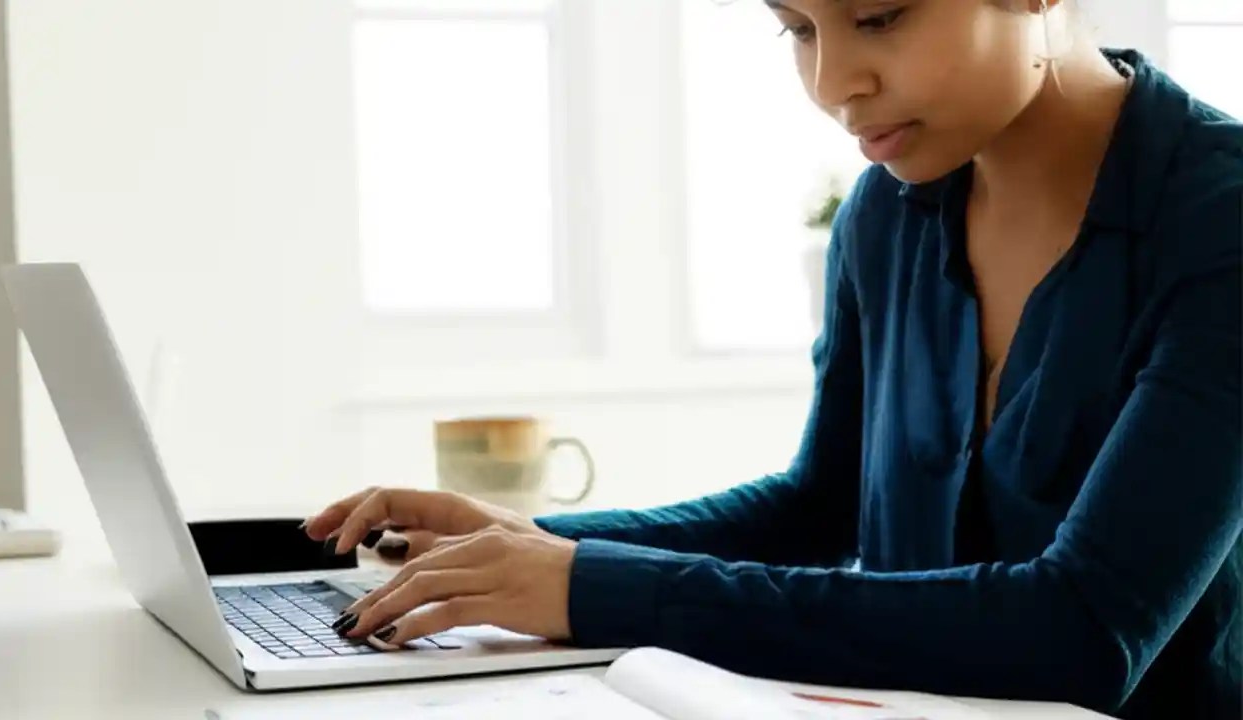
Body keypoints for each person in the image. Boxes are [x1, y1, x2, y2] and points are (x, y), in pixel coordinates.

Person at [304, 1, 1242, 718]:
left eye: (879, 16)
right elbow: (817, 509)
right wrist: (532, 545)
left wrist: (590, 585)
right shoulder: (884, 218)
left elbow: (1082, 629)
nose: (835, 82)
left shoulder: (1219, 217)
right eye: (795, 27)